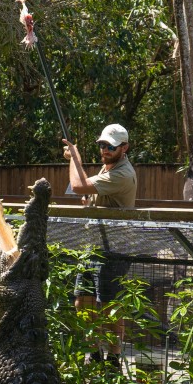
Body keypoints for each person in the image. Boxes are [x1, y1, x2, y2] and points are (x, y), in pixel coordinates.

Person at [62, 124, 137, 368]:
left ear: (124, 148)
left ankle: (114, 358)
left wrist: (74, 159)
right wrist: (89, 202)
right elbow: (84, 191)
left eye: (110, 146)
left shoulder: (122, 174)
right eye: (102, 145)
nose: (104, 149)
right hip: (93, 244)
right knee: (81, 300)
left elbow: (77, 185)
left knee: (109, 305)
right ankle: (93, 354)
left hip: (114, 248)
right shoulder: (107, 167)